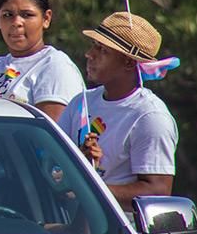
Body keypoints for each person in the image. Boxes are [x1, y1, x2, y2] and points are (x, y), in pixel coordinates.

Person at [58, 12, 178, 209]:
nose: (89, 54)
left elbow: (157, 190)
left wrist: (88, 188)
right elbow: (53, 165)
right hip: (77, 229)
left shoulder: (150, 117)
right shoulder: (82, 102)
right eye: (93, 46)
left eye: (102, 50)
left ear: (129, 63)